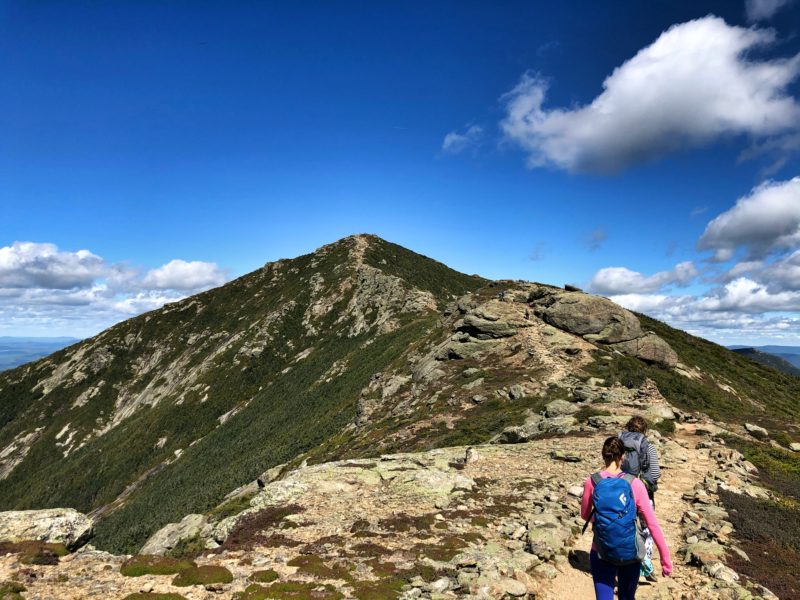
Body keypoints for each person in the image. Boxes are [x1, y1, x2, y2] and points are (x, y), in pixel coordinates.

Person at [581, 437, 672, 600]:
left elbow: (584, 515)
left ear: (603, 455)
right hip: (630, 551)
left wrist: (606, 520)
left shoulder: (592, 482)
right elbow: (652, 524)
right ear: (623, 457)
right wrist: (665, 559)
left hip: (601, 550)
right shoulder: (635, 483)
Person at [619, 416, 660, 580]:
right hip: (643, 492)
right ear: (645, 430)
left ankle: (624, 559)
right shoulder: (648, 446)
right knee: (647, 527)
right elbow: (655, 473)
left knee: (626, 525)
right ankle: (645, 562)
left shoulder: (619, 443)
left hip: (622, 490)